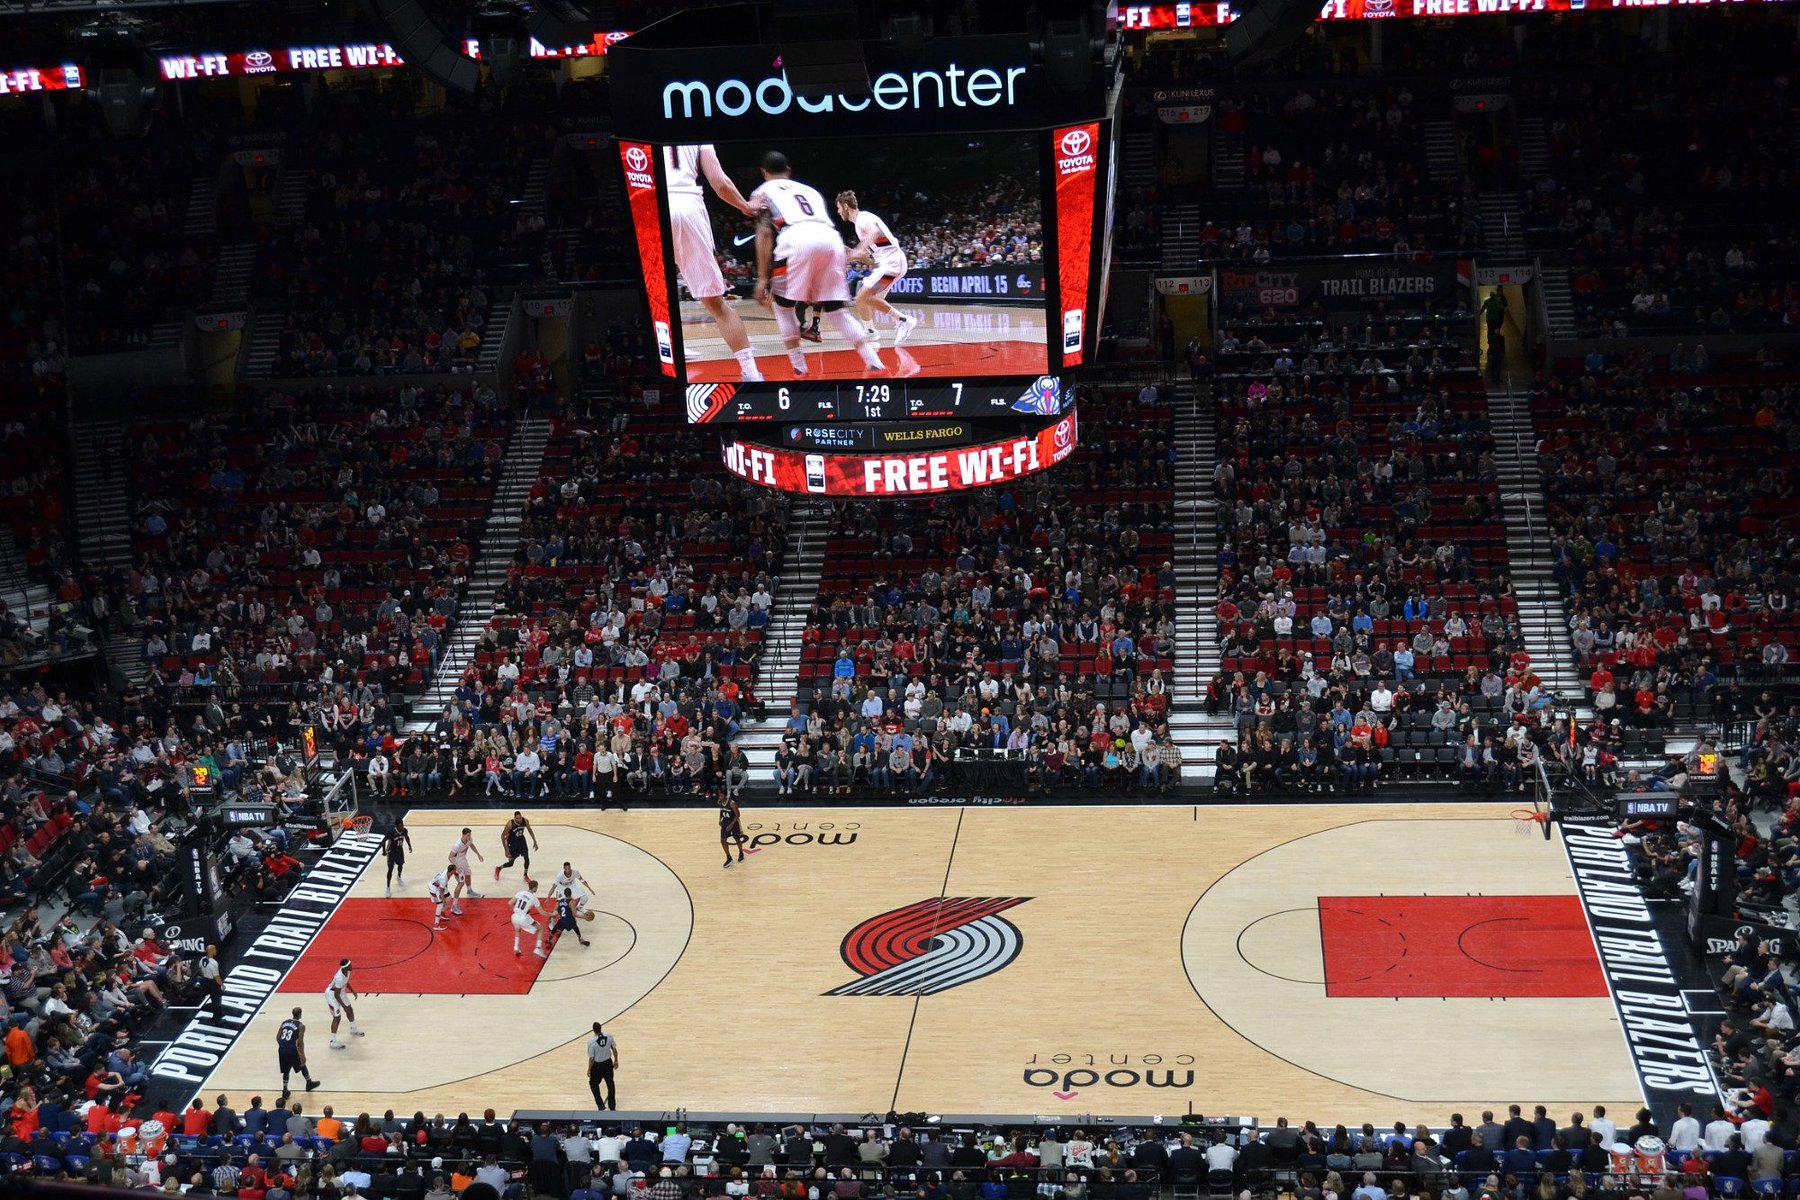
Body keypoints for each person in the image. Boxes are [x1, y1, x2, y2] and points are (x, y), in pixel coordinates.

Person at [749, 151, 884, 377]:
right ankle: (875, 362)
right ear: (788, 171)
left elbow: (763, 233)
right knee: (837, 311)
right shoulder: (809, 190)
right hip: (830, 238)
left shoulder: (763, 191)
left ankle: (800, 368)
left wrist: (763, 277)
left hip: (795, 237)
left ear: (764, 172)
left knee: (783, 307)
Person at [665, 144, 764, 382]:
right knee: (716, 303)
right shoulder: (698, 135)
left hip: (653, 204)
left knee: (654, 295)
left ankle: (670, 350)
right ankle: (750, 372)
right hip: (688, 205)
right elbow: (720, 183)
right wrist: (745, 206)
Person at [835, 191, 917, 346]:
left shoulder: (862, 219)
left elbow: (875, 232)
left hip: (892, 262)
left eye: (839, 208)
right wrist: (850, 255)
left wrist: (859, 249)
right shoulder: (860, 222)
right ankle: (871, 332)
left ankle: (904, 321)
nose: (838, 212)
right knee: (869, 300)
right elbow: (867, 252)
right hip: (891, 262)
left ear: (846, 206)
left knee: (861, 297)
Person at [277, 1007, 321, 1099]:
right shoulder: (301, 1026)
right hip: (292, 1049)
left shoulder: (284, 1023)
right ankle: (309, 1083)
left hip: (282, 1049)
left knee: (286, 1069)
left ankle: (285, 1089)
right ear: (300, 1014)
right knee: (302, 1063)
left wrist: (283, 1045)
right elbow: (300, 1041)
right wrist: (302, 1054)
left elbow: (278, 1037)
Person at [325, 959, 364, 1049]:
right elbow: (336, 995)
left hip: (340, 991)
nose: (352, 966)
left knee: (350, 1009)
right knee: (337, 1017)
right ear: (346, 967)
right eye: (350, 965)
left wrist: (352, 991)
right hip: (332, 995)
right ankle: (333, 1041)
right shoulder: (339, 978)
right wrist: (343, 1006)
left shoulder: (347, 971)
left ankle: (353, 1028)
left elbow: (346, 982)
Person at [494, 812, 539, 888]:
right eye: (517, 818)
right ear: (514, 818)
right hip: (512, 843)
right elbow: (502, 836)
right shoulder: (510, 824)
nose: (519, 820)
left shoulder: (525, 821)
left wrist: (535, 841)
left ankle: (525, 875)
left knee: (526, 858)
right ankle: (498, 868)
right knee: (511, 863)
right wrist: (506, 850)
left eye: (520, 818)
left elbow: (530, 830)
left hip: (521, 841)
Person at [511, 879, 548, 957]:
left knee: (518, 930)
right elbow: (542, 912)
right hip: (524, 918)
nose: (537, 889)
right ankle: (538, 948)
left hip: (514, 916)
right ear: (534, 888)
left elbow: (510, 903)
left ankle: (516, 947)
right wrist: (552, 914)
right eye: (537, 887)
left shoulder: (520, 893)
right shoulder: (534, 898)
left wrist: (517, 910)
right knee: (540, 929)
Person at [449, 828, 484, 910]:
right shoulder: (457, 845)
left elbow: (471, 845)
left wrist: (478, 854)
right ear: (463, 835)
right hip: (456, 863)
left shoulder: (469, 840)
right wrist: (456, 866)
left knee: (468, 874)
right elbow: (450, 857)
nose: (469, 836)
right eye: (468, 835)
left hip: (463, 860)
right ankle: (454, 905)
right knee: (461, 883)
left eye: (470, 834)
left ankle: (469, 891)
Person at [587, 1022, 618, 1111]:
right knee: (610, 1084)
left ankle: (601, 1105)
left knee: (593, 1084)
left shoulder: (591, 1042)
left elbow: (592, 1058)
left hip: (598, 1066)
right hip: (608, 1063)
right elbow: (615, 1050)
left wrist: (589, 1069)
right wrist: (616, 1060)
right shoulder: (609, 1036)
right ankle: (612, 1106)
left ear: (593, 1030)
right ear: (601, 1028)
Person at [718, 791, 749, 869]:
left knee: (737, 839)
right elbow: (721, 811)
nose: (720, 797)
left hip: (733, 822)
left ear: (726, 796)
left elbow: (738, 815)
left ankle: (741, 852)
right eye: (719, 796)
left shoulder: (732, 803)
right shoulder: (720, 802)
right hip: (725, 822)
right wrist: (720, 819)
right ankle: (729, 858)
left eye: (721, 796)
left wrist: (731, 825)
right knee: (722, 840)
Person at [383, 820, 413, 899]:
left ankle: (398, 877)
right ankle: (388, 888)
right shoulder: (391, 832)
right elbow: (383, 841)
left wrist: (409, 846)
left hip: (399, 851)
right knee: (390, 869)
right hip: (391, 852)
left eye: (402, 825)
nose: (401, 827)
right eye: (400, 825)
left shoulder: (404, 830)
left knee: (400, 865)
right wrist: (384, 851)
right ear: (396, 826)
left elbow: (406, 837)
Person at [427, 864, 454, 930]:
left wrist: (446, 890)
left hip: (439, 886)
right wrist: (444, 903)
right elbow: (441, 892)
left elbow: (444, 885)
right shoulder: (443, 879)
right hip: (434, 888)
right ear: (453, 871)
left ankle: (441, 913)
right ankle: (436, 924)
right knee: (440, 904)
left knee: (449, 897)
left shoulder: (448, 872)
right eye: (455, 869)